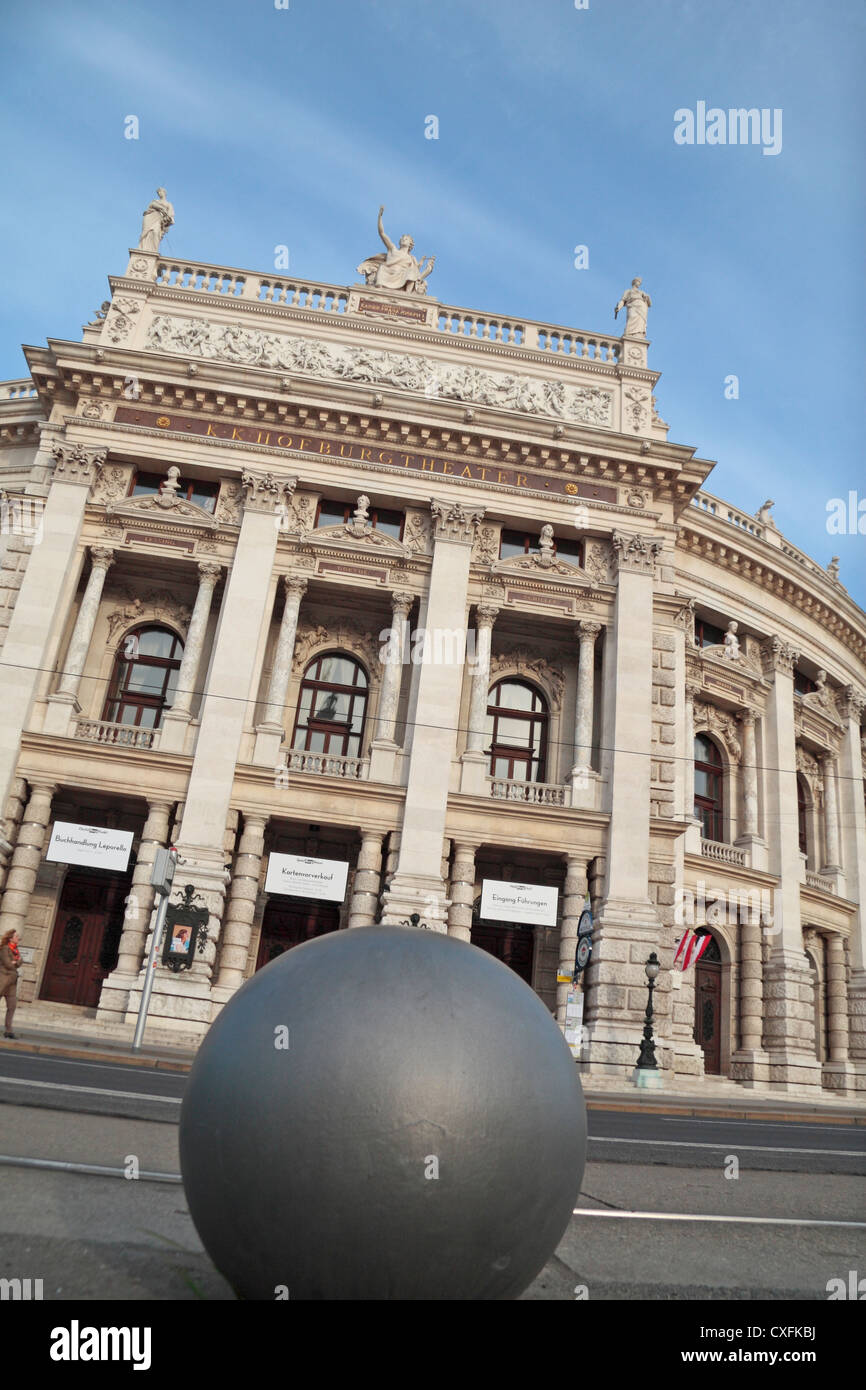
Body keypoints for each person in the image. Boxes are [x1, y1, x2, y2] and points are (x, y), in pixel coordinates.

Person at [357, 206, 435, 294]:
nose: (403, 240)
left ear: (410, 244)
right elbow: (382, 233)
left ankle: (408, 295)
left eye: (406, 239)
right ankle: (380, 288)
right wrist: (380, 217)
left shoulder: (411, 258)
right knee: (382, 268)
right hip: (388, 271)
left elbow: (417, 273)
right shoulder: (393, 249)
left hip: (403, 275)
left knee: (411, 272)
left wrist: (428, 268)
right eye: (402, 238)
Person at [0, 928, 23, 1039]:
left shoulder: (16, 950)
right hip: (3, 980)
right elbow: (8, 964)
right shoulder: (5, 949)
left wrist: (15, 962)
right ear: (11, 938)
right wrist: (15, 962)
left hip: (12, 983)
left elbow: (20, 962)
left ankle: (8, 1030)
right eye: (16, 936)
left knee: (12, 1006)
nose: (18, 938)